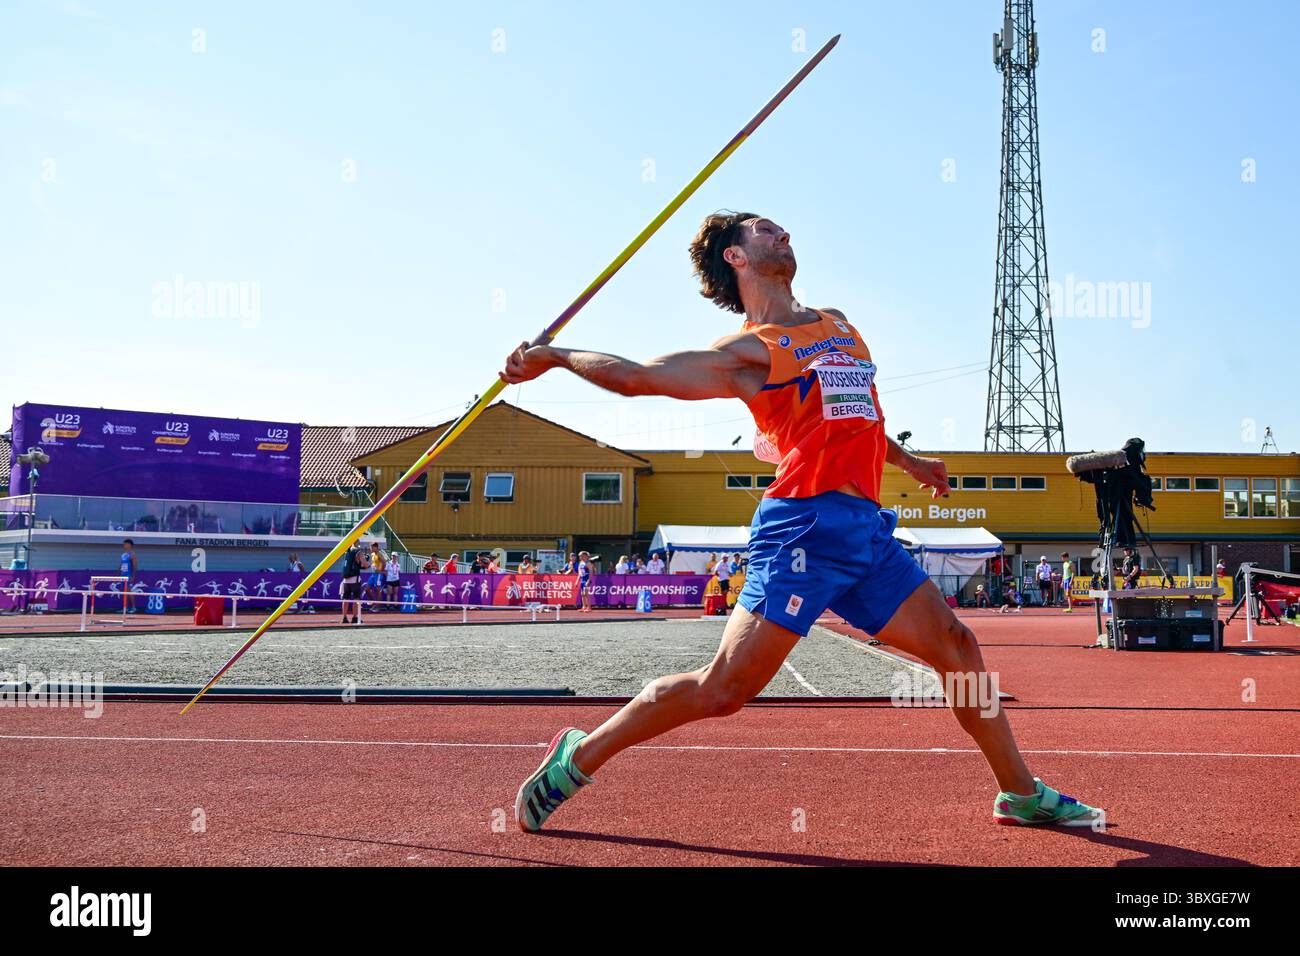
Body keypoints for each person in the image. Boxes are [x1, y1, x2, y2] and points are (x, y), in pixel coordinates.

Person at [502, 210, 1100, 831]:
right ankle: (580, 755)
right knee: (724, 691)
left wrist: (909, 459)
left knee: (958, 646)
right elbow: (635, 377)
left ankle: (1019, 793)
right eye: (764, 230)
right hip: (803, 530)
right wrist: (554, 355)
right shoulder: (745, 355)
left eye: (781, 229)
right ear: (734, 258)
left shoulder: (839, 325)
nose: (783, 233)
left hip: (865, 528)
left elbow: (855, 414)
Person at [340, 544, 362, 624]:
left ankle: (344, 617)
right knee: (356, 599)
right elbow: (363, 563)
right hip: (354, 579)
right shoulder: (357, 551)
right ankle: (355, 617)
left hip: (345, 579)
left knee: (345, 599)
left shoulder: (346, 552)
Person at [119, 539, 138, 614]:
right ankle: (125, 608)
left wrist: (133, 576)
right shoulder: (123, 555)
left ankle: (133, 607)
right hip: (122, 576)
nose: (124, 545)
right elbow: (121, 565)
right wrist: (118, 573)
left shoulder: (132, 555)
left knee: (129, 592)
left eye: (125, 544)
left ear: (129, 545)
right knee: (124, 592)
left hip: (129, 576)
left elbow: (134, 566)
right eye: (124, 544)